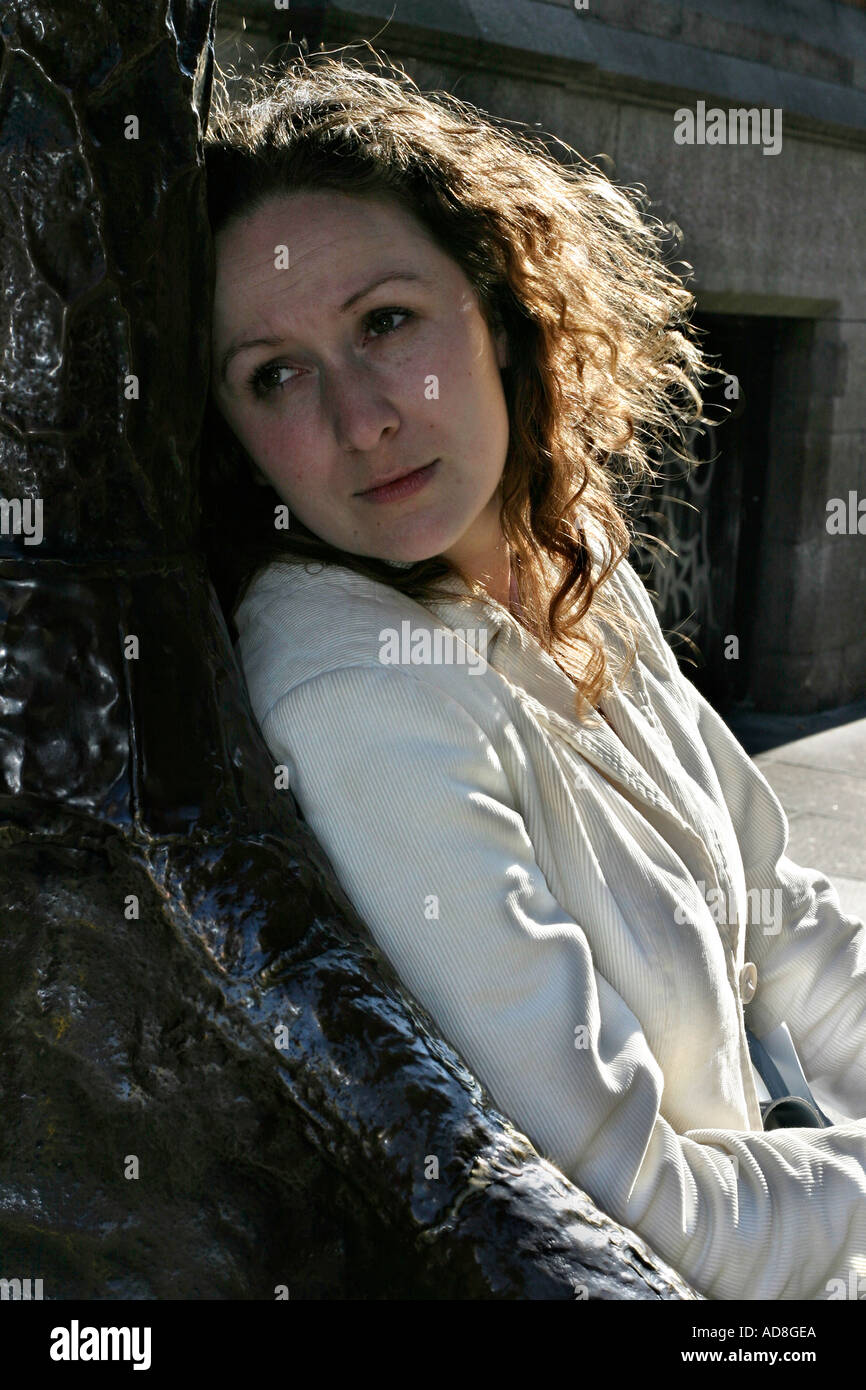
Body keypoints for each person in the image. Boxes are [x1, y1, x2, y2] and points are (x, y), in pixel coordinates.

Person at [201, 51, 866, 1301]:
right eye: (275, 374)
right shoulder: (353, 696)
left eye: (386, 323)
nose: (360, 419)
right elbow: (637, 1217)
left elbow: (771, 905)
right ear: (236, 436)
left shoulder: (566, 555)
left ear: (499, 312)